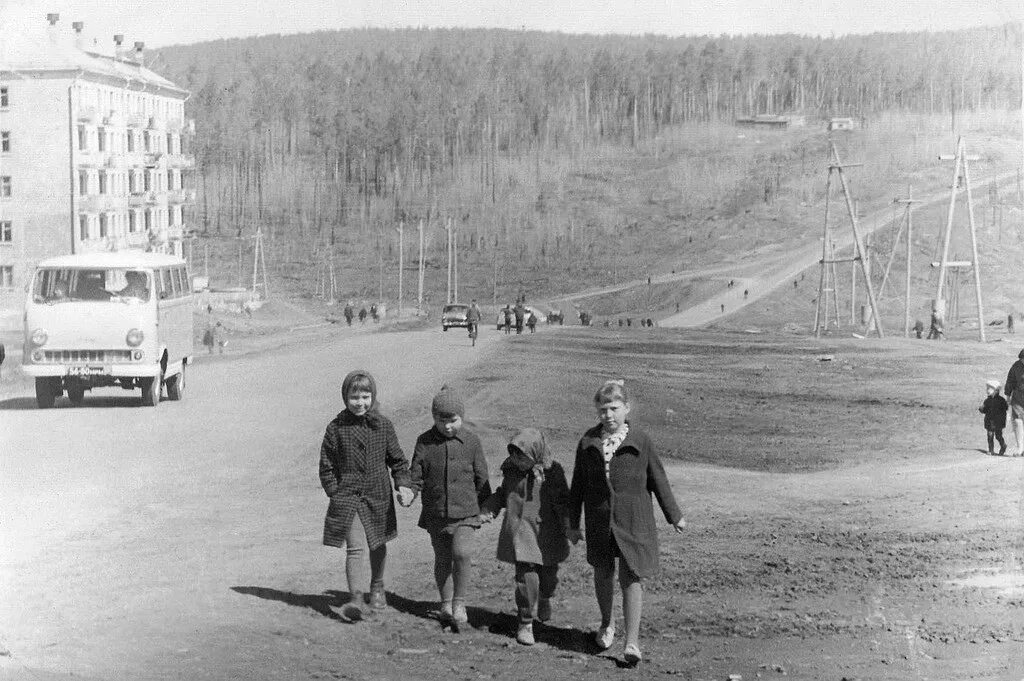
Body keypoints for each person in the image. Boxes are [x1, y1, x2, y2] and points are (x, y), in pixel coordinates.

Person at [568, 380, 685, 666]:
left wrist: (674, 515)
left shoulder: (640, 440)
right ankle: (606, 624)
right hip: (599, 522)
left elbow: (658, 480)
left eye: (614, 409)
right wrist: (573, 524)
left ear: (627, 408)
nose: (608, 415)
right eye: (602, 410)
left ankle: (631, 642)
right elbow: (578, 486)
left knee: (632, 577)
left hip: (635, 521)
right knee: (603, 573)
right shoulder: (587, 443)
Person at [319, 370, 415, 619]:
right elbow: (326, 466)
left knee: (377, 542)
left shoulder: (383, 426)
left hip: (378, 496)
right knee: (354, 548)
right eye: (354, 397)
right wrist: (335, 493)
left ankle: (377, 586)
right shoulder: (336, 428)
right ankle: (355, 599)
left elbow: (398, 461)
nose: (359, 402)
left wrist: (403, 484)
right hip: (348, 497)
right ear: (345, 397)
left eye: (365, 396)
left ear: (372, 396)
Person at [478, 428, 570, 646]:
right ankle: (525, 622)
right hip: (522, 532)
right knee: (525, 578)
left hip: (547, 534)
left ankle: (546, 597)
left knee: (548, 577)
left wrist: (570, 526)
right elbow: (502, 494)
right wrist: (489, 509)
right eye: (514, 454)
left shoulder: (552, 472)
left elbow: (563, 501)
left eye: (522, 456)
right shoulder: (511, 471)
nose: (517, 460)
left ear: (536, 454)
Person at [409, 386, 491, 625]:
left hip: (466, 511)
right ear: (434, 418)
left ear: (461, 417)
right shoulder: (424, 442)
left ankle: (459, 602)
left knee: (462, 554)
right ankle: (445, 603)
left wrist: (486, 506)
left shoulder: (472, 441)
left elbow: (482, 476)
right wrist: (410, 491)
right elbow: (417, 475)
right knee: (443, 557)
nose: (447, 426)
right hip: (436, 512)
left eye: (452, 420)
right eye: (440, 420)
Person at [979, 380, 1009, 456]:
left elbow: (1005, 408)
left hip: (998, 421)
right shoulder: (987, 400)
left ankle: (1003, 445)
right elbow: (984, 410)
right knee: (990, 435)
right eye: (987, 389)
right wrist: (982, 409)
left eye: (990, 389)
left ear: (996, 390)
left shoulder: (1001, 400)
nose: (987, 391)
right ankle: (991, 450)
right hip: (989, 420)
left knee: (998, 435)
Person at [1005, 349, 1024, 456]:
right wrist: (1008, 396)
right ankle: (1020, 448)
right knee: (1017, 421)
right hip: (1018, 398)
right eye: (1022, 359)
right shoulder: (1016, 366)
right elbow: (1010, 381)